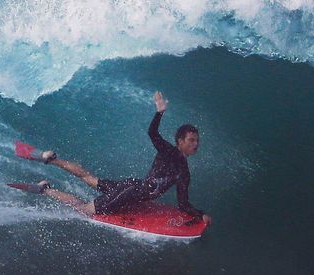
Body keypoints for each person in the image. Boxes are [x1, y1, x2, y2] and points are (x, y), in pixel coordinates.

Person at [11, 91, 210, 224]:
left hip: (133, 186)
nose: (196, 144)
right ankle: (45, 189)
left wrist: (200, 214)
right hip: (132, 192)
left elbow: (183, 204)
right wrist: (159, 113)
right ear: (180, 141)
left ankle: (50, 159)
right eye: (191, 140)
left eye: (197, 140)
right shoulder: (169, 152)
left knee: (89, 178)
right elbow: (153, 133)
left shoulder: (184, 171)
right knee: (85, 209)